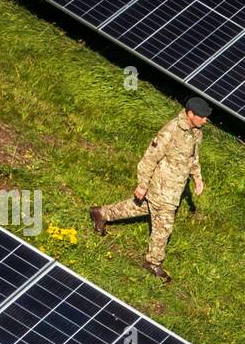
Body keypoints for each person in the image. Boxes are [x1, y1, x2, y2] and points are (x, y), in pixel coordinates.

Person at [90, 96, 212, 282]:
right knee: (164, 226)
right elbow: (150, 158)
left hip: (175, 188)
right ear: (190, 114)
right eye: (202, 117)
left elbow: (192, 157)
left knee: (139, 207)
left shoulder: (196, 132)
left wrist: (197, 178)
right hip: (161, 188)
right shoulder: (170, 131)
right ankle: (153, 262)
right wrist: (142, 185)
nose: (205, 120)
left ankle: (101, 213)